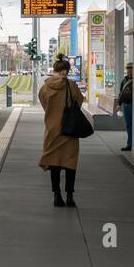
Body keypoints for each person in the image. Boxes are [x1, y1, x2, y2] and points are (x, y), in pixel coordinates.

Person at [38, 57, 82, 207]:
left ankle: (57, 196)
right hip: (69, 130)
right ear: (65, 71)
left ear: (55, 70)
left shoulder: (44, 88)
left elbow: (45, 105)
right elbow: (79, 102)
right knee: (70, 163)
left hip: (52, 130)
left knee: (54, 163)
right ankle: (70, 196)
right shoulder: (71, 85)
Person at [115, 63, 134, 150]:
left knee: (133, 125)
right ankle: (130, 144)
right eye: (128, 68)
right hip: (126, 106)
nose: (129, 70)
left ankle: (132, 144)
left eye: (131, 68)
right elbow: (121, 93)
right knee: (128, 125)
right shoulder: (124, 81)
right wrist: (119, 104)